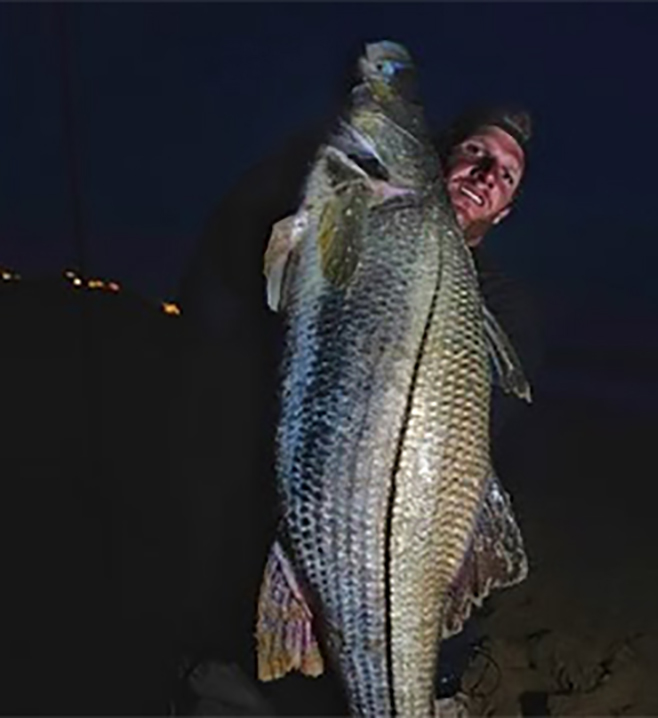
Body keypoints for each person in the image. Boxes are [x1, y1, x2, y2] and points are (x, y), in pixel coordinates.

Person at [174, 106, 540, 714]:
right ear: (440, 162)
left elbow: (469, 435)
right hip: (271, 541)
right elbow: (240, 288)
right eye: (476, 152)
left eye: (505, 175)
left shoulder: (506, 306)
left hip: (401, 534)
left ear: (503, 212)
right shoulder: (350, 227)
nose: (486, 172)